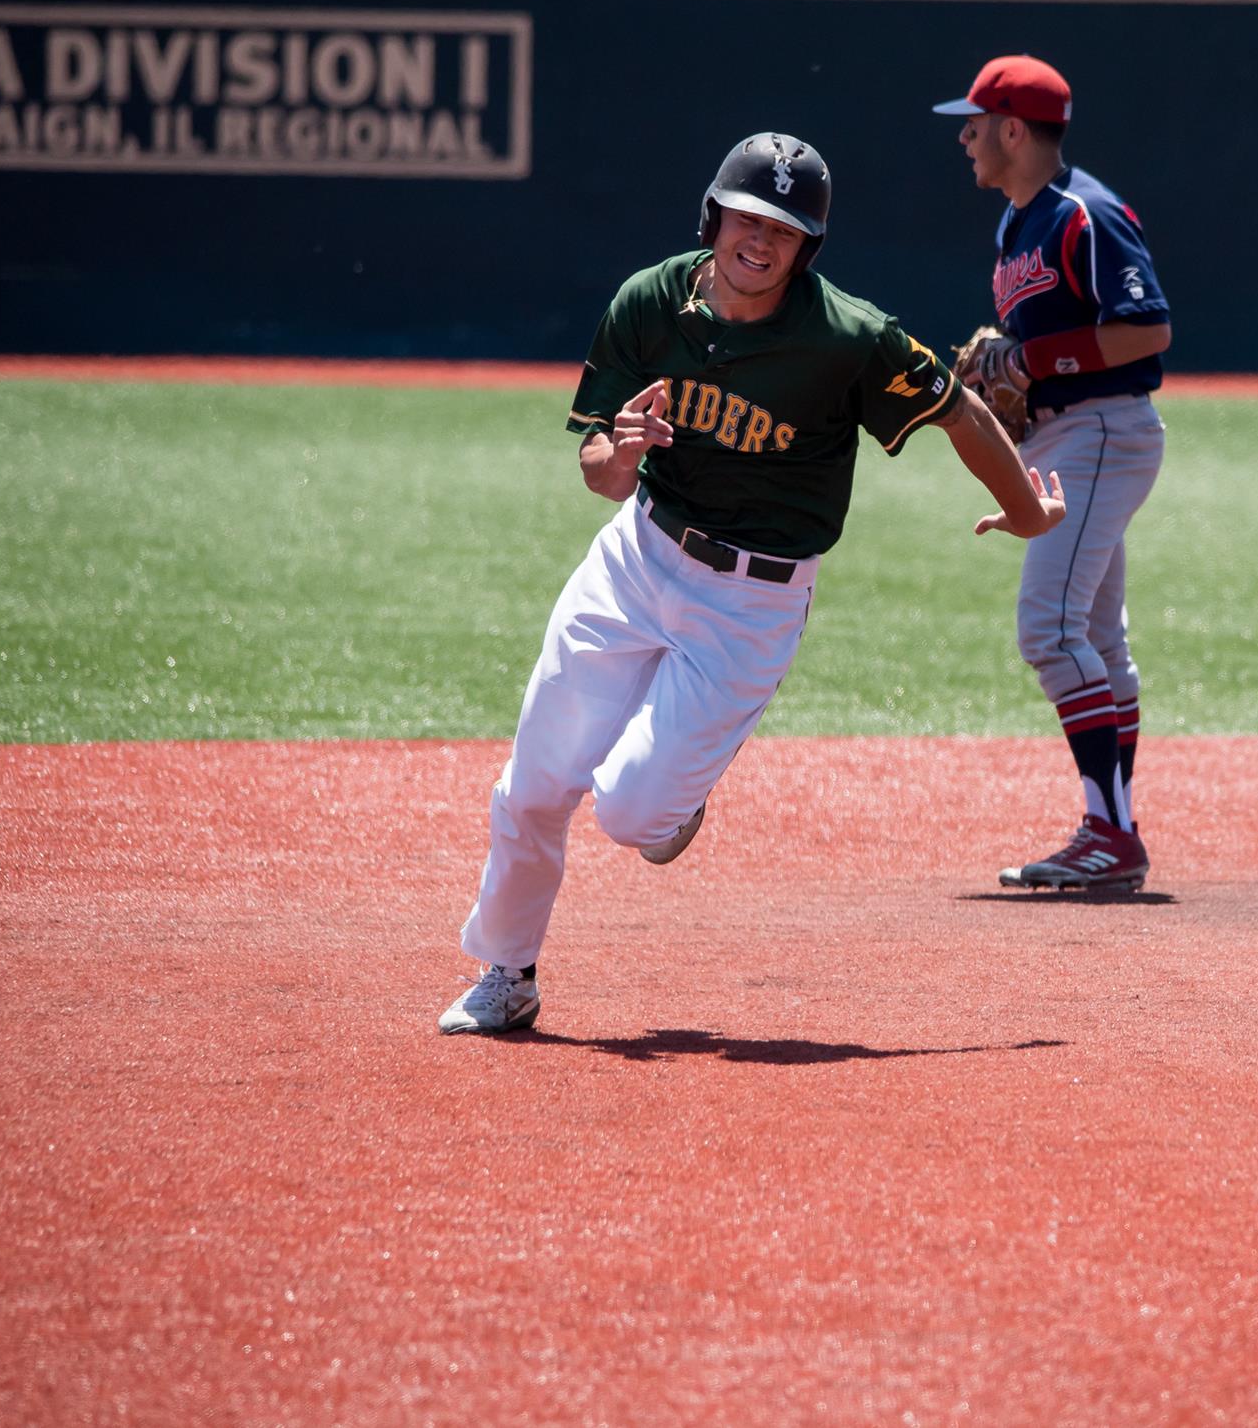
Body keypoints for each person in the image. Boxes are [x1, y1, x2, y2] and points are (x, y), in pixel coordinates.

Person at [439, 131, 1067, 1035]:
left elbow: (955, 408)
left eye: (786, 226)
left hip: (752, 598)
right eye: (748, 215)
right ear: (716, 216)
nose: (762, 238)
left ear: (807, 246)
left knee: (629, 812)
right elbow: (599, 468)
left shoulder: (845, 337)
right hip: (638, 554)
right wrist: (617, 456)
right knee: (535, 783)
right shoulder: (650, 302)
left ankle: (675, 795)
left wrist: (1027, 509)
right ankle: (507, 971)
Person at [932, 55, 1172, 894]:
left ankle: (1109, 834)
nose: (963, 138)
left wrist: (1029, 358)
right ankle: (1114, 831)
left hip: (1103, 432)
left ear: (1012, 129)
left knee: (1049, 629)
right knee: (1098, 637)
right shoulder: (1017, 221)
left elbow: (1147, 330)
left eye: (973, 123)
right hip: (1068, 438)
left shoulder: (1084, 215)